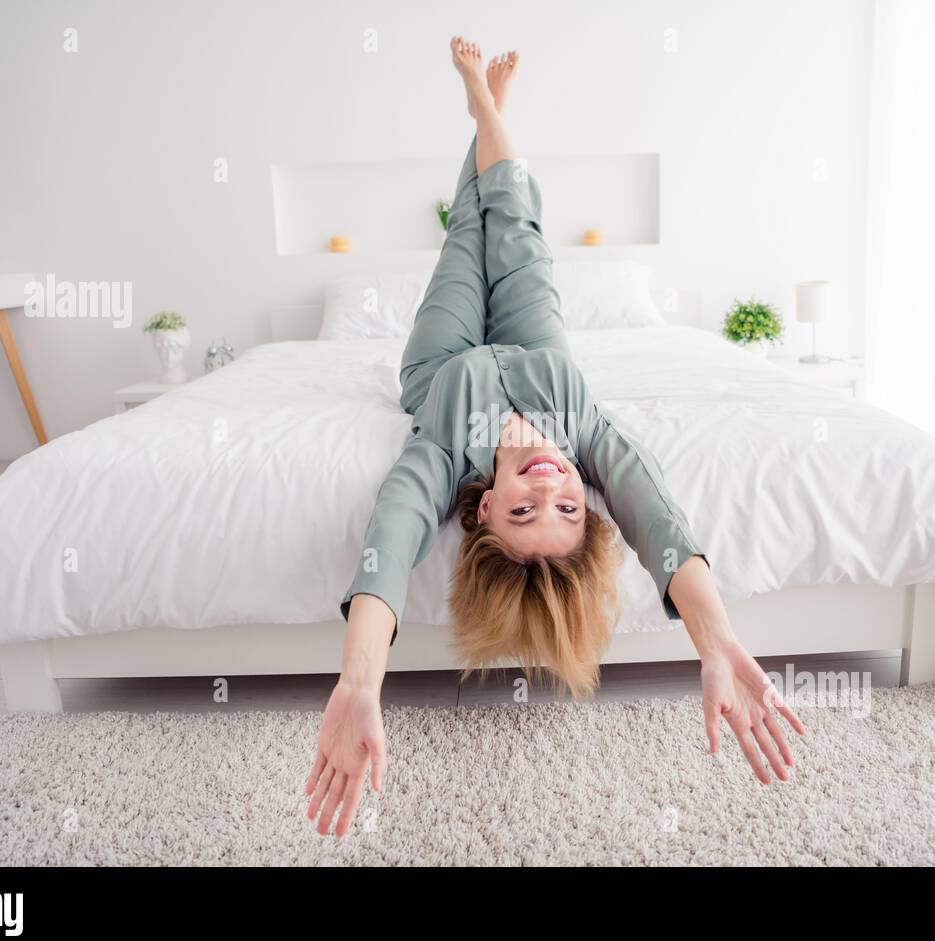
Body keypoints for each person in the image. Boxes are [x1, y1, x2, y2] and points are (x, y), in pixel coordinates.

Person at [307, 38, 805, 837]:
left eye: (524, 511)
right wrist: (716, 638)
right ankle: (489, 110)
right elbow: (651, 509)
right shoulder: (581, 430)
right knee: (519, 221)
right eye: (569, 513)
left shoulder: (441, 454)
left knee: (469, 231)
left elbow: (391, 538)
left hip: (442, 359)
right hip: (543, 354)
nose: (551, 488)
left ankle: (483, 107)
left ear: (481, 510)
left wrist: (361, 680)